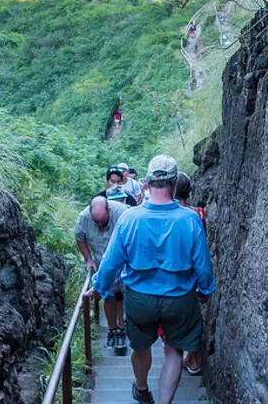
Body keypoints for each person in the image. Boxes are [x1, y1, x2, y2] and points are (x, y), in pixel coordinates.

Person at [94, 156, 215, 404]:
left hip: (139, 298)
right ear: (174, 183)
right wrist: (205, 289)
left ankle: (141, 390)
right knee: (173, 350)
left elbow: (111, 261)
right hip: (179, 298)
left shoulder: (130, 218)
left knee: (140, 347)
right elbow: (203, 263)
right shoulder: (190, 219)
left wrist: (99, 287)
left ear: (147, 183)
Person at [74, 194, 130, 349]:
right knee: (109, 297)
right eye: (96, 222)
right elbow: (79, 238)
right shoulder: (84, 218)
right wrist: (88, 259)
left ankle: (122, 328)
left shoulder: (123, 213)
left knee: (122, 297)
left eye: (103, 222)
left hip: (123, 262)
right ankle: (113, 330)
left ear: (109, 210)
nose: (99, 226)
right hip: (102, 263)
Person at [172, 172, 206, 376]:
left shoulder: (165, 214)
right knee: (192, 318)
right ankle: (191, 357)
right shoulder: (198, 214)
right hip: (192, 272)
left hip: (170, 272)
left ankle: (177, 355)